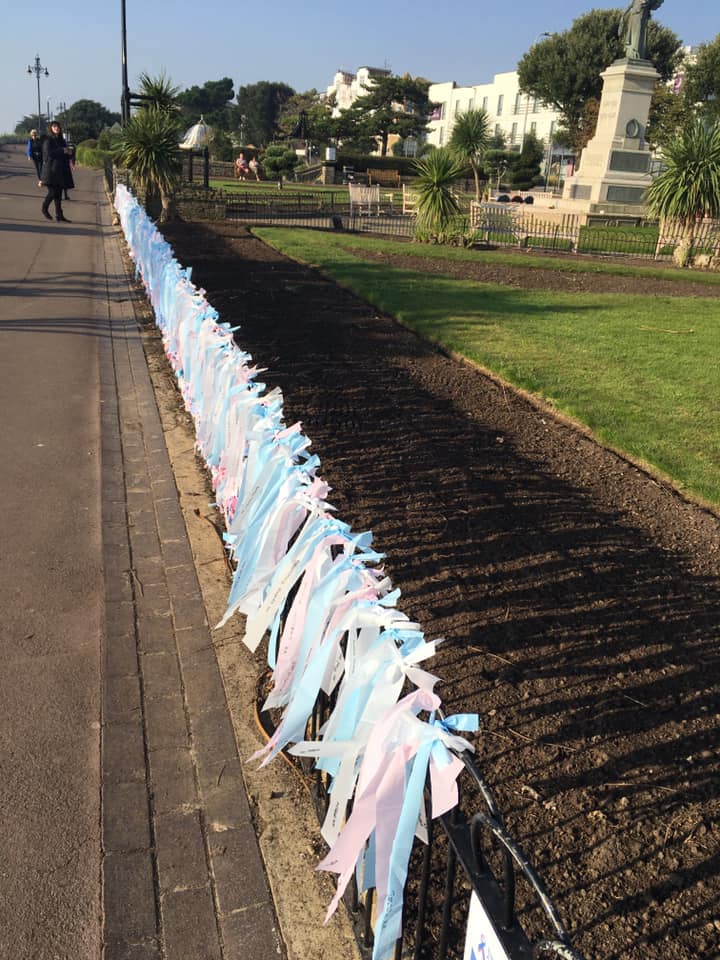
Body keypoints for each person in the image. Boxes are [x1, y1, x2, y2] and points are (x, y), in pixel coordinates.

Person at [39, 120, 71, 222]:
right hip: (50, 171)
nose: (56, 128)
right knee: (53, 192)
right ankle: (44, 208)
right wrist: (62, 150)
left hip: (60, 170)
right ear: (51, 128)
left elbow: (64, 153)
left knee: (58, 194)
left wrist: (69, 152)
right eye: (54, 127)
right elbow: (49, 154)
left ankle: (59, 215)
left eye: (57, 126)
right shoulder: (49, 140)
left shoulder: (61, 139)